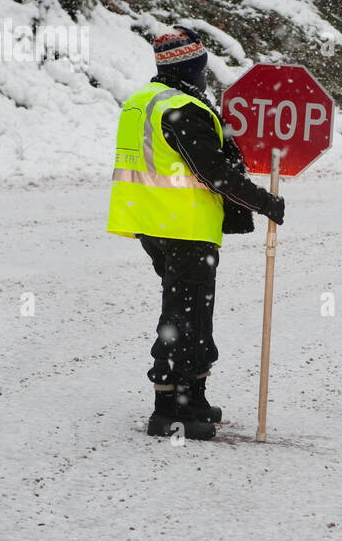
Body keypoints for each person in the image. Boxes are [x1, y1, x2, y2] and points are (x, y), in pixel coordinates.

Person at [106, 25, 285, 440]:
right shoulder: (183, 109)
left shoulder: (140, 101)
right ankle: (174, 408)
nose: (204, 75)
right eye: (201, 67)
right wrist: (265, 202)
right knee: (189, 316)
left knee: (182, 312)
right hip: (185, 227)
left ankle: (187, 398)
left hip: (151, 225)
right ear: (190, 67)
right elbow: (214, 173)